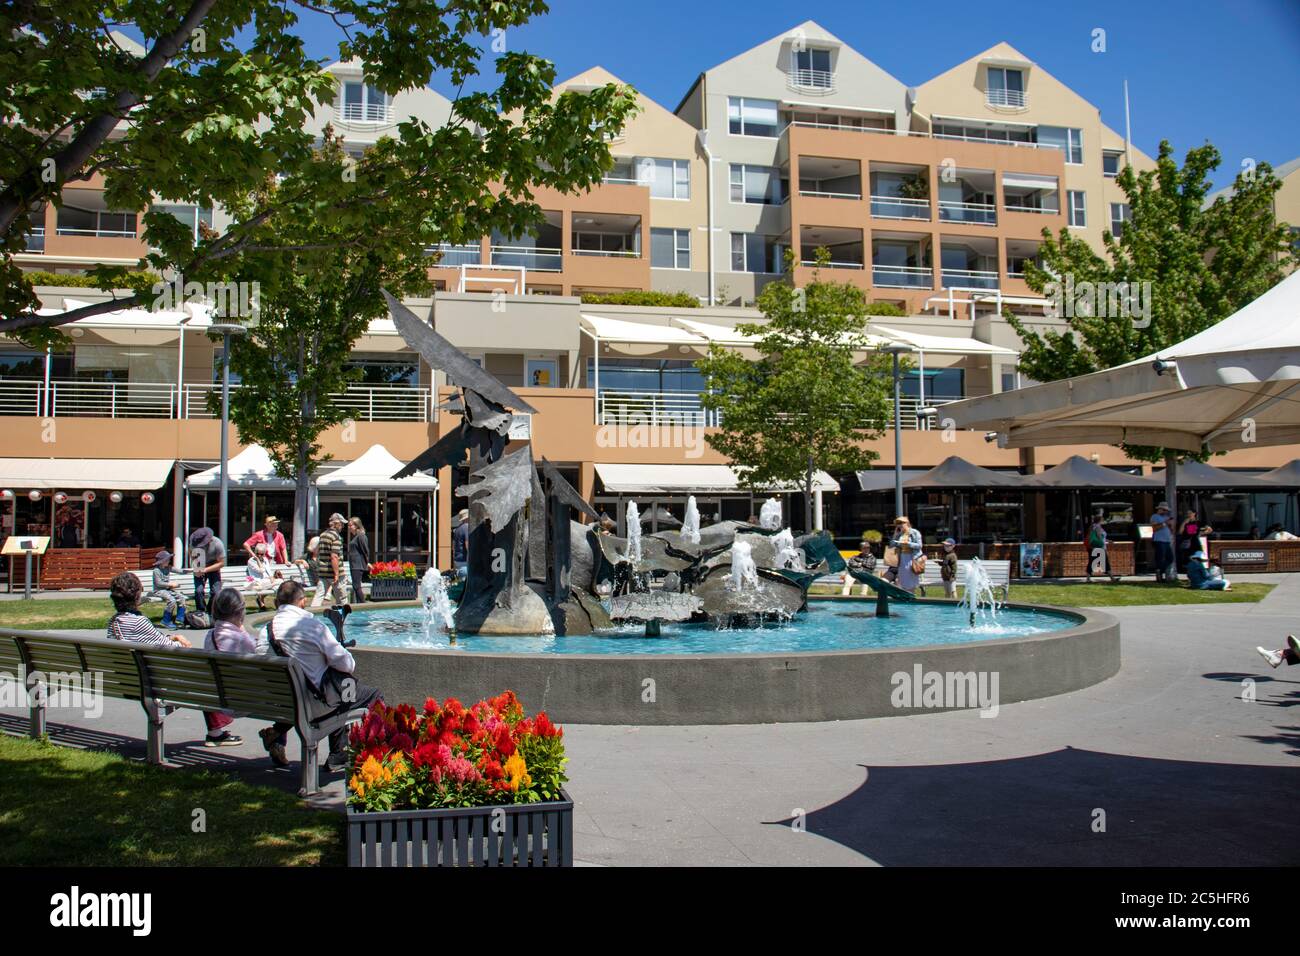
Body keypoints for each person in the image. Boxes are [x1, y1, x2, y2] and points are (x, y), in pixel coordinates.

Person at [256, 580, 381, 771]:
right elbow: (347, 664)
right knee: (363, 692)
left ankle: (333, 752)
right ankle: (372, 752)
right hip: (313, 702)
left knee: (340, 689)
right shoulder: (311, 626)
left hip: (280, 700)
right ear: (302, 602)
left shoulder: (265, 631)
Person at [200, 588, 257, 747]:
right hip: (246, 702)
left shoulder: (210, 636)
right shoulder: (240, 639)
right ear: (240, 611)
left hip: (218, 699)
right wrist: (244, 632)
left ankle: (215, 732)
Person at [106, 572, 191, 648]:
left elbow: (156, 639)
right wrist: (183, 643)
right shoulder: (139, 621)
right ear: (136, 595)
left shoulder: (113, 621)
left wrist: (173, 637)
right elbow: (168, 646)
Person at [310, 513, 347, 608]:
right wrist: (336, 574)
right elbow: (334, 556)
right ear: (337, 524)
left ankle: (312, 615)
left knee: (318, 596)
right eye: (342, 524)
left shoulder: (322, 535)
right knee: (341, 599)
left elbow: (319, 552)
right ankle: (343, 618)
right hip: (334, 573)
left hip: (323, 572)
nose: (343, 526)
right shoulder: (336, 537)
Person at [144, 549, 187, 629]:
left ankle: (180, 619)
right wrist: (171, 584)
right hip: (159, 590)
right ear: (162, 561)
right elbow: (158, 583)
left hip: (168, 590)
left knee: (181, 597)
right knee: (172, 600)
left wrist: (191, 571)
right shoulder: (156, 571)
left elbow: (180, 571)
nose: (169, 561)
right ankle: (166, 621)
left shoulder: (168, 568)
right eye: (167, 560)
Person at [189, 527, 226, 613]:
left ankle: (210, 610)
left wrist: (205, 570)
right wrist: (196, 567)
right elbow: (191, 553)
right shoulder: (194, 542)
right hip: (200, 563)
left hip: (213, 565)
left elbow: (221, 563)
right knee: (199, 591)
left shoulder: (217, 544)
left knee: (216, 592)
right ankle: (201, 611)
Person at [888, 516, 924, 595]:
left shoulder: (914, 532)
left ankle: (911, 598)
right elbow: (891, 545)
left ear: (907, 523)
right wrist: (895, 534)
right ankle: (905, 598)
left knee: (911, 581)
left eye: (901, 523)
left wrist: (908, 544)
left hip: (912, 558)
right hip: (902, 559)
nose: (899, 525)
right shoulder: (899, 534)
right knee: (902, 581)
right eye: (898, 524)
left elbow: (919, 545)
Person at [1085, 511, 1120, 583]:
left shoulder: (1092, 526)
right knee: (1105, 562)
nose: (1103, 520)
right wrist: (1103, 543)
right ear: (1100, 520)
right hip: (1099, 547)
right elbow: (1099, 537)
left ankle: (1088, 578)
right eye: (1102, 519)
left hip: (1093, 547)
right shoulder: (1097, 527)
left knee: (1092, 562)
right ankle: (1112, 578)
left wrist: (1107, 540)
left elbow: (1098, 537)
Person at [245, 543, 281, 610]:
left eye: (261, 554)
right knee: (279, 582)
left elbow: (268, 570)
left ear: (264, 553)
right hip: (257, 583)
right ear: (255, 552)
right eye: (257, 553)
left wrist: (271, 577)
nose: (259, 555)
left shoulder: (265, 559)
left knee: (278, 584)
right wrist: (258, 560)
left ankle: (262, 599)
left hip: (265, 581)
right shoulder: (251, 561)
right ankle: (276, 603)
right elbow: (262, 570)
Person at [1150, 501, 1176, 583]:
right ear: (1159, 509)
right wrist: (1165, 523)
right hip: (1159, 540)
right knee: (1160, 558)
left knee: (1170, 558)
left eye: (1166, 510)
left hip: (1167, 541)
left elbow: (1171, 530)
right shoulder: (1154, 517)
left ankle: (1160, 570)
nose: (1166, 512)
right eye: (1164, 510)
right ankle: (1159, 575)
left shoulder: (1166, 517)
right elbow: (1154, 528)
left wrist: (1171, 525)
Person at [347, 516, 370, 604]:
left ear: (356, 526)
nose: (349, 528)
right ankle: (359, 604)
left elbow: (365, 550)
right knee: (355, 586)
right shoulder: (356, 537)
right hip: (354, 564)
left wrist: (366, 563)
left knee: (357, 586)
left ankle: (363, 604)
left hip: (358, 564)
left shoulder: (361, 536)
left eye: (350, 525)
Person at [452, 509, 470, 580]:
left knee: (460, 584)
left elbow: (453, 545)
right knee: (465, 585)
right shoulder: (466, 527)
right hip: (464, 561)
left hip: (457, 560)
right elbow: (467, 544)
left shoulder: (457, 529)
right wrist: (472, 558)